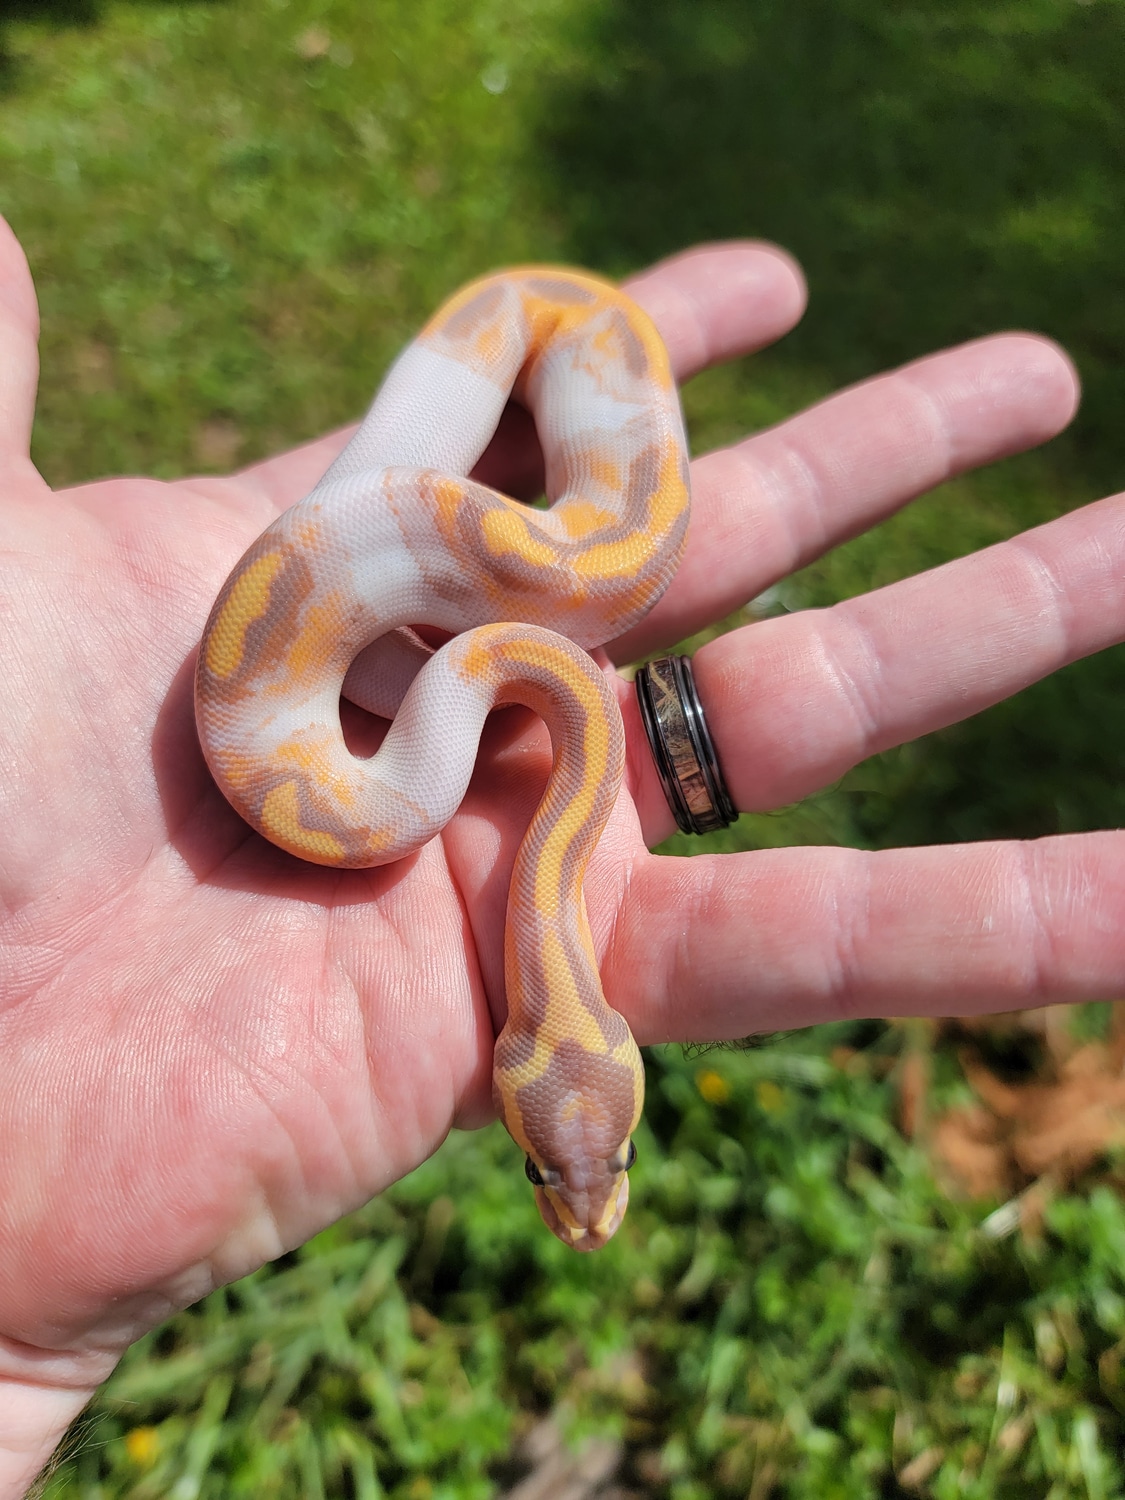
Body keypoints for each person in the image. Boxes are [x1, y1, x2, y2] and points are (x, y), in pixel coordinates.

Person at [0, 215, 1120, 1496]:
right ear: (561, 1053)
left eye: (558, 1164)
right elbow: (459, 671)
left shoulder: (403, 790)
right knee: (520, 569)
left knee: (445, 573)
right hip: (402, 613)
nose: (585, 1207)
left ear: (527, 1051)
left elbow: (438, 660)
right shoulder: (460, 770)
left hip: (360, 626)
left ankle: (424, 480)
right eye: (578, 1164)